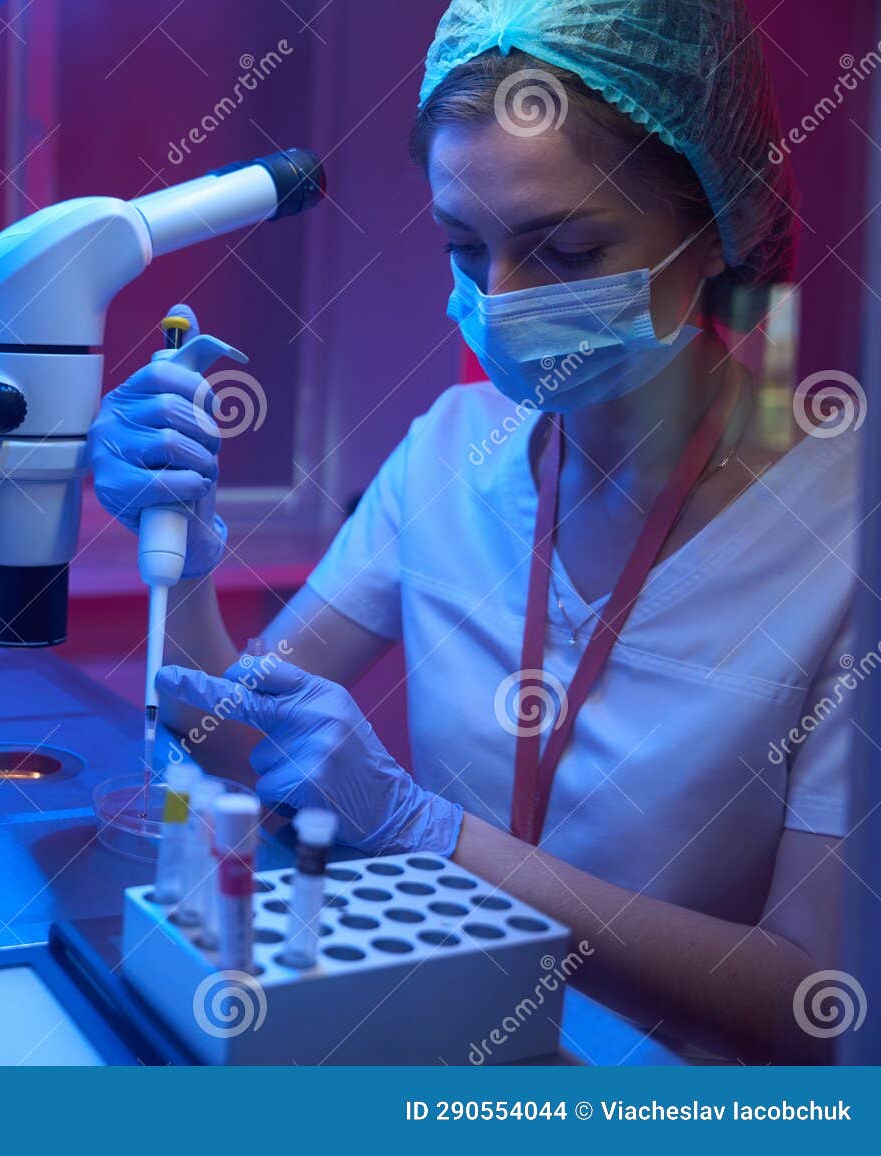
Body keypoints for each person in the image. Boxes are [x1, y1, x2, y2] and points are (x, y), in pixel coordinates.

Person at [88, 0, 856, 1063]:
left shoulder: (845, 538)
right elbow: (235, 736)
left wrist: (428, 834)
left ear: (716, 224)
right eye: (464, 246)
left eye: (566, 248)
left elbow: (817, 1002)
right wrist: (183, 552)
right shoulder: (453, 445)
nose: (498, 301)